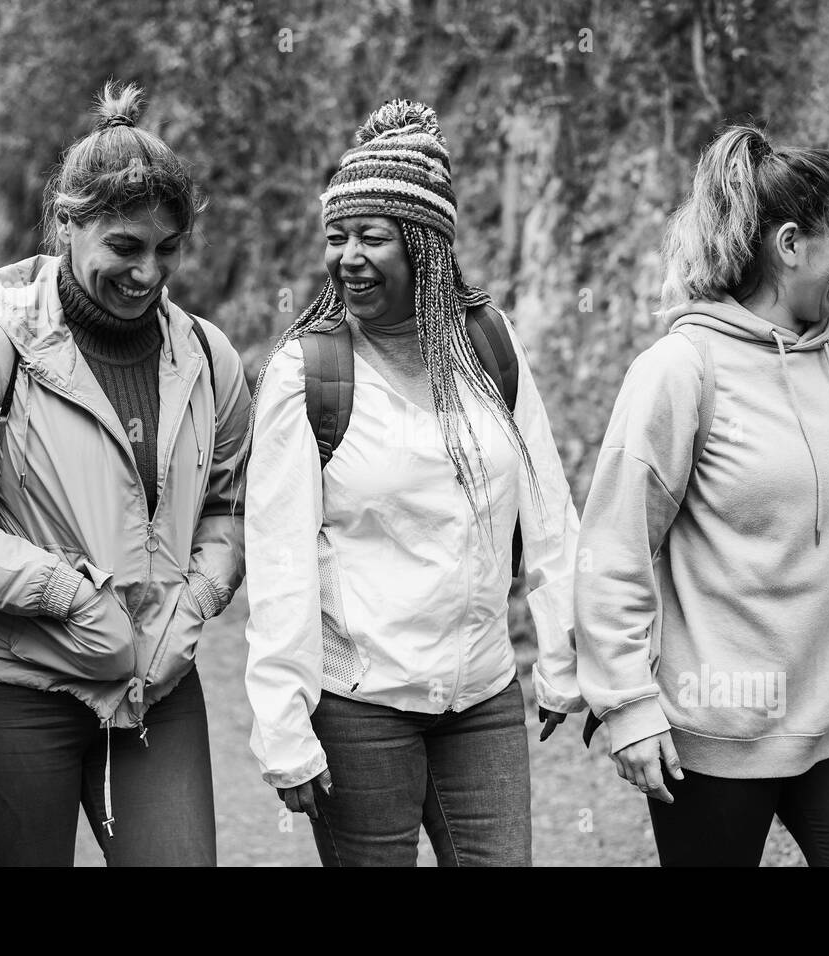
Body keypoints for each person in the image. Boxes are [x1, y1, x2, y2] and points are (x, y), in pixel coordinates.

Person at [574, 125, 829, 866]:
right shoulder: (680, 370)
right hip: (717, 729)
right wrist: (625, 703)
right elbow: (615, 550)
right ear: (790, 244)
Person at [0, 82, 249, 866]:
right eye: (124, 247)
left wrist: (195, 601)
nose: (148, 273)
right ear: (67, 224)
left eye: (169, 248)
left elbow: (228, 509)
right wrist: (64, 593)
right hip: (8, 694)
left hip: (158, 693)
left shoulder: (209, 357)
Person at [243, 99, 583, 866]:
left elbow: (549, 507)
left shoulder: (489, 347)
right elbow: (279, 558)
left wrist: (562, 657)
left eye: (372, 236)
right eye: (336, 237)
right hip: (362, 706)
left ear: (426, 246)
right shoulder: (309, 372)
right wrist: (284, 723)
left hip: (484, 695)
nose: (347, 256)